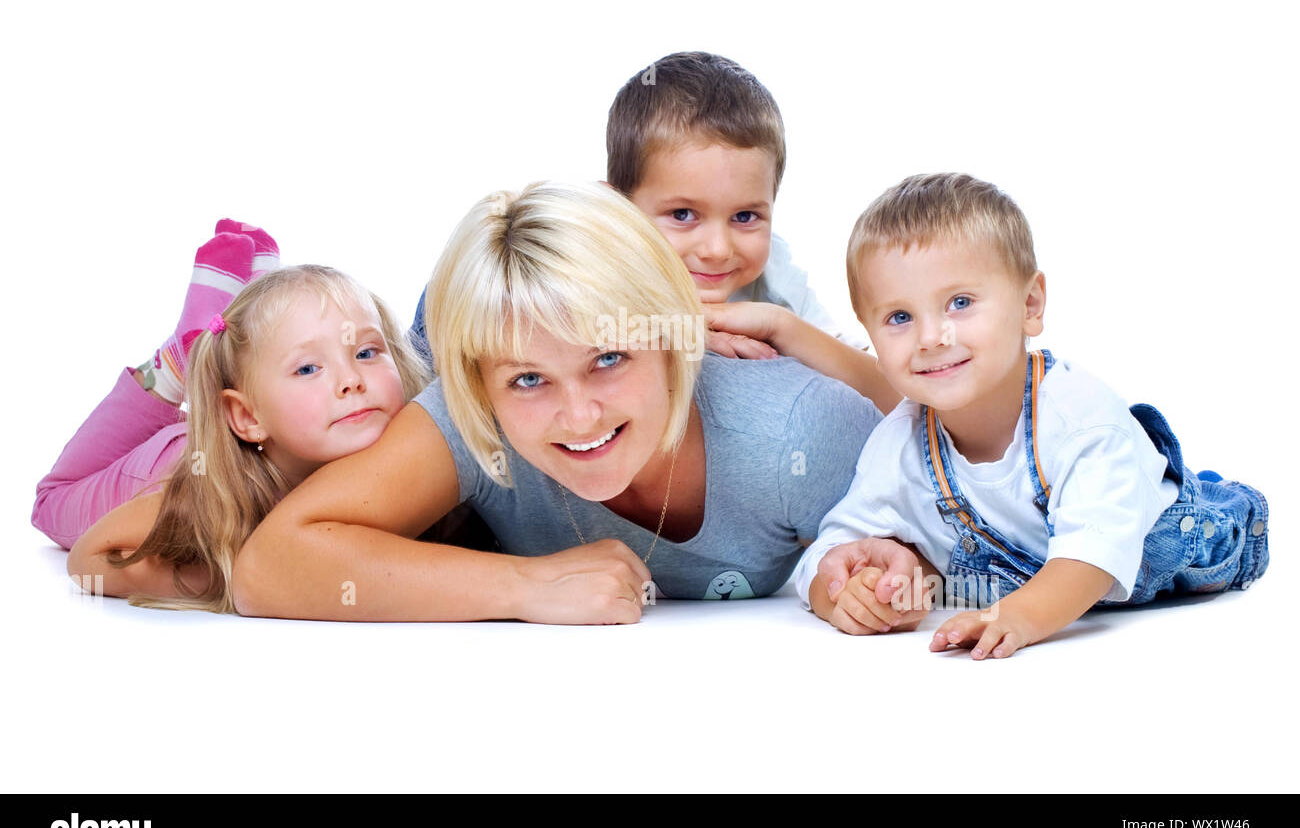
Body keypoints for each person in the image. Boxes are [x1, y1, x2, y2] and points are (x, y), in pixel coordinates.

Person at [231, 181, 881, 622]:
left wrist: (873, 578)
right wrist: (526, 586)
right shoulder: (473, 418)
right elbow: (267, 564)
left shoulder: (799, 429)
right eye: (528, 379)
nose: (579, 416)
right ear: (481, 383)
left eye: (608, 359)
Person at [794, 173, 1269, 657]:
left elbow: (1094, 550)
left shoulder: (1078, 416)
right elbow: (830, 548)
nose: (931, 337)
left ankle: (1188, 487)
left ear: (1029, 304)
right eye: (899, 317)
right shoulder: (899, 442)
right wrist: (841, 590)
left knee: (1204, 520)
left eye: (960, 303)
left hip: (1177, 543)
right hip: (1040, 565)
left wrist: (1018, 615)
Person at [406, 51, 901, 412]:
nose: (717, 248)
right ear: (617, 206)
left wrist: (780, 326)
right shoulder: (586, 258)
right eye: (683, 215)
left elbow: (890, 394)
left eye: (746, 217)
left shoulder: (775, 280)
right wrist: (681, 326)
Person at [36, 229, 428, 612]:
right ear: (248, 416)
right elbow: (87, 560)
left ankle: (242, 337)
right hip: (154, 470)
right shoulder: (205, 497)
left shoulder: (405, 452)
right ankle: (173, 365)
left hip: (216, 433)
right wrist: (235, 577)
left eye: (366, 352)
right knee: (50, 501)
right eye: (308, 368)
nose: (351, 381)